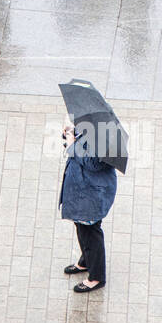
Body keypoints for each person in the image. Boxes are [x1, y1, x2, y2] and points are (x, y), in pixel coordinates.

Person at [59, 121, 117, 293]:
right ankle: (86, 261)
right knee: (82, 227)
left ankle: (97, 276)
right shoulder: (94, 126)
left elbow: (92, 163)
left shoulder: (106, 141)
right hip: (82, 190)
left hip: (92, 194)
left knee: (90, 232)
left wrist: (72, 145)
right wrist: (71, 133)